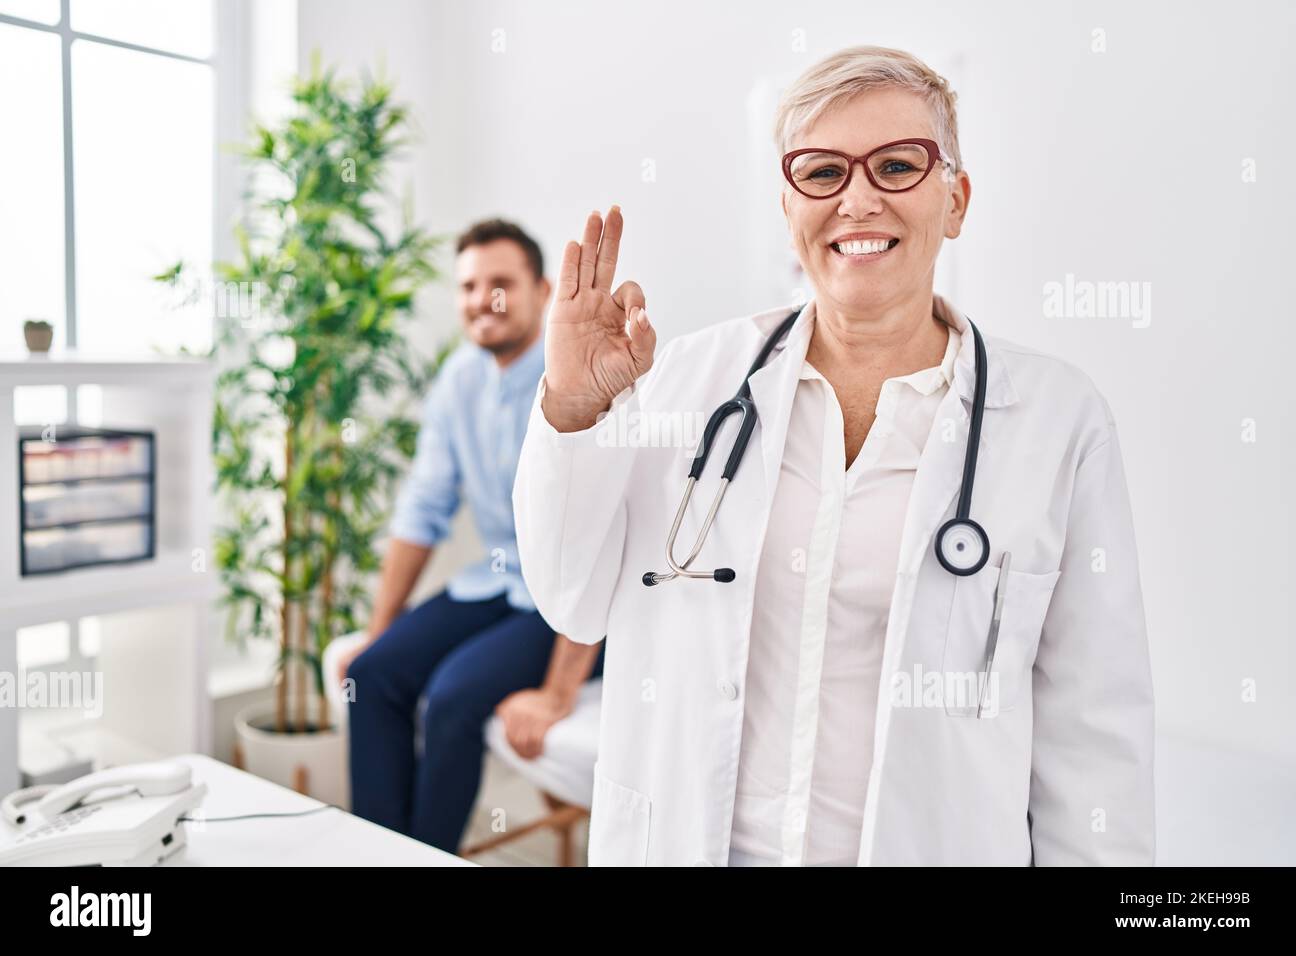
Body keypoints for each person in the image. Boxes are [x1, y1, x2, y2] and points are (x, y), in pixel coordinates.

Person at [513, 46, 1154, 865]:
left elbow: (1095, 738)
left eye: (897, 165)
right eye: (822, 172)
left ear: (955, 199)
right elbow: (573, 599)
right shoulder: (684, 383)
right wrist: (573, 406)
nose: (858, 199)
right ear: (789, 206)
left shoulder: (1059, 422)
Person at [340, 219, 605, 853]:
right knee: (373, 674)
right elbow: (422, 510)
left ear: (543, 292)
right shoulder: (459, 379)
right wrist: (381, 630)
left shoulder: (582, 377)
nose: (482, 300)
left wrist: (556, 693)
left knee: (452, 697)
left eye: (501, 284)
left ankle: (427, 859)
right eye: (468, 286)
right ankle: (384, 856)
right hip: (495, 579)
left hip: (571, 597)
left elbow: (606, 536)